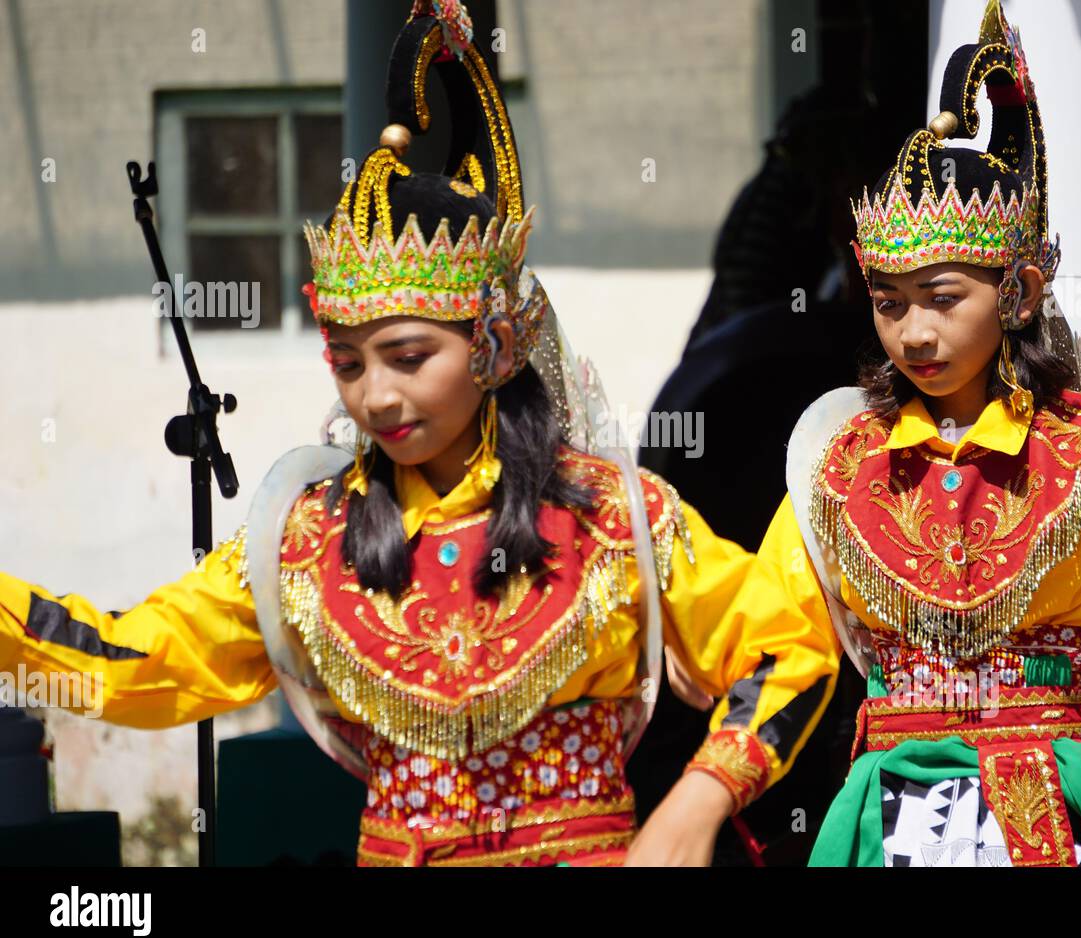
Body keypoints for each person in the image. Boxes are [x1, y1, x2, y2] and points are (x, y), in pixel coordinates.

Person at [0, 1, 838, 867]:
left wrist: (697, 804)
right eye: (350, 363)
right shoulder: (308, 541)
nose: (378, 396)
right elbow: (137, 657)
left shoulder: (611, 519)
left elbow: (788, 646)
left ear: (494, 344)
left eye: (406, 356)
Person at [738, 0, 1081, 866]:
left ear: (1021, 292)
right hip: (889, 824)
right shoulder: (840, 470)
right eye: (890, 305)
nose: (914, 333)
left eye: (944, 298)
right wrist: (710, 786)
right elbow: (778, 646)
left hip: (1065, 821)